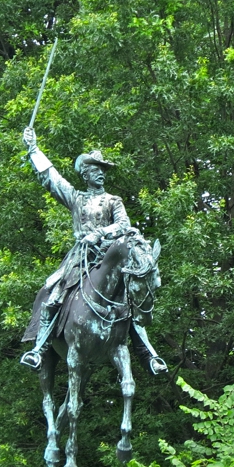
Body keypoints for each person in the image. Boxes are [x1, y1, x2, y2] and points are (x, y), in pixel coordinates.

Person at [19, 127, 168, 375]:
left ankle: (149, 355)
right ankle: (39, 349)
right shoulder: (75, 198)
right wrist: (33, 149)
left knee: (128, 301)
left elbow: (123, 225)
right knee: (52, 293)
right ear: (86, 175)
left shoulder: (113, 200)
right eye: (96, 171)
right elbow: (51, 177)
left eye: (102, 172)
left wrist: (99, 234)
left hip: (109, 257)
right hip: (80, 258)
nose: (101, 175)